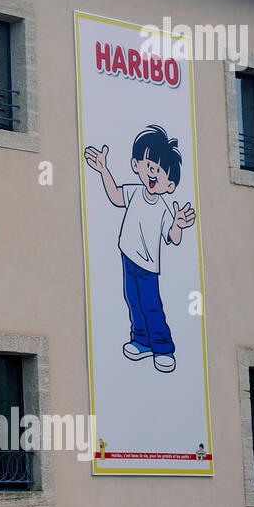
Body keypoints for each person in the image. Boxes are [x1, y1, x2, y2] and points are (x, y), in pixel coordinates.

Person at [84, 124, 196, 373]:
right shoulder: (135, 192)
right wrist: (103, 169)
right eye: (149, 165)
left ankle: (163, 348)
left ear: (170, 184)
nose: (153, 171)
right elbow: (114, 196)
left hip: (148, 266)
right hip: (128, 256)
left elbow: (173, 238)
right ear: (137, 165)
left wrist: (178, 223)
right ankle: (141, 341)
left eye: (159, 169)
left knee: (151, 304)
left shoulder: (164, 208)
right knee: (132, 300)